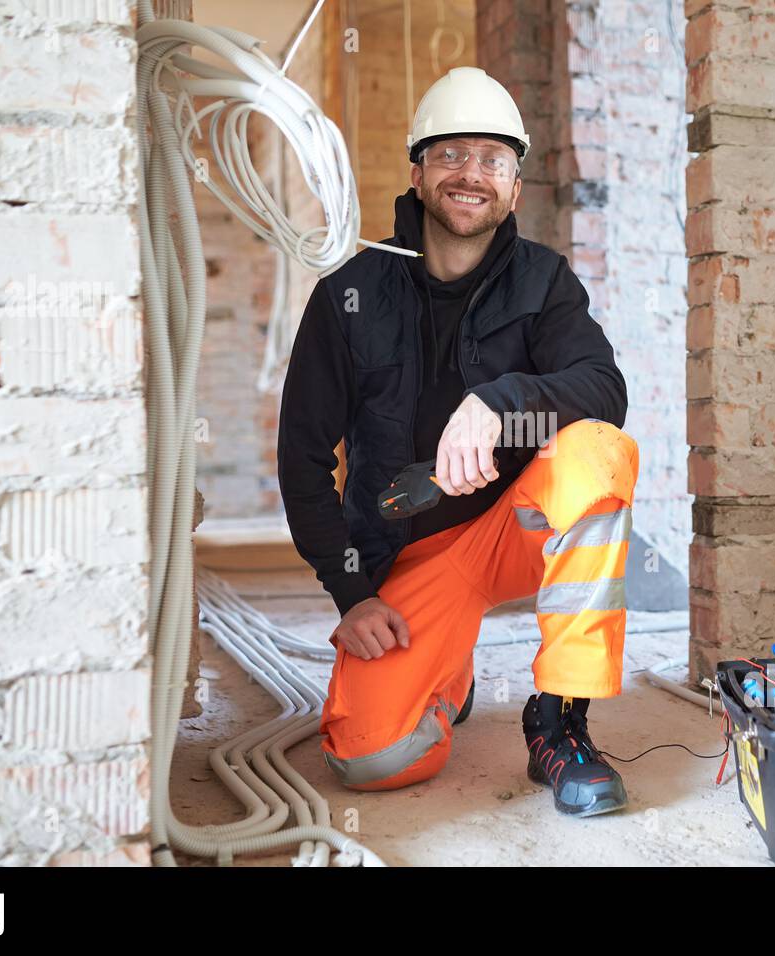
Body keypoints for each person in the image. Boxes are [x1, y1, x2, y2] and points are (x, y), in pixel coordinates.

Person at [277, 66, 639, 816]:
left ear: (514, 186)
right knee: (373, 758)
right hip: (407, 556)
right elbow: (302, 459)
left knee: (599, 453)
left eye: (493, 160)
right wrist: (351, 592)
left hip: (513, 532)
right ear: (417, 171)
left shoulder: (544, 284)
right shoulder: (349, 295)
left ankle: (560, 718)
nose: (470, 174)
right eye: (450, 155)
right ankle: (448, 670)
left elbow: (606, 391)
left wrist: (506, 403)